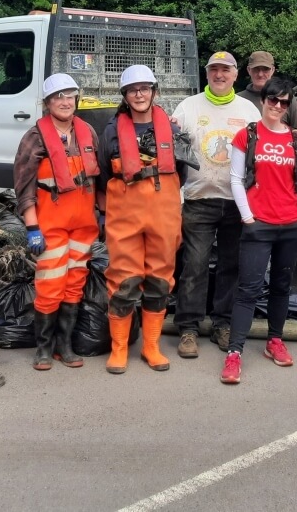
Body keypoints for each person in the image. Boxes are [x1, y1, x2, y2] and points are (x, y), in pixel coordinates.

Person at [220, 77, 297, 384]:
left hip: (291, 223)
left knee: (282, 286)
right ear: (263, 100)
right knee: (248, 289)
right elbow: (236, 179)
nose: (277, 106)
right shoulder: (248, 135)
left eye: (284, 102)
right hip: (258, 224)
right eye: (273, 99)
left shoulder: (296, 139)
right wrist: (248, 217)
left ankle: (275, 340)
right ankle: (234, 353)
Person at [171, 51, 261, 358]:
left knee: (231, 266)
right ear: (207, 73)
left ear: (236, 74)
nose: (219, 75)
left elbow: (258, 156)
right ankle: (188, 328)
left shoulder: (248, 110)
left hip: (237, 203)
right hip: (199, 200)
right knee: (194, 266)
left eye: (225, 70)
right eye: (214, 70)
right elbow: (174, 150)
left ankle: (223, 324)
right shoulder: (188, 107)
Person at [97, 65, 185, 374]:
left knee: (160, 281)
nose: (139, 94)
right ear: (125, 96)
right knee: (124, 281)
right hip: (125, 215)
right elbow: (104, 174)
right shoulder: (111, 132)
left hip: (164, 214)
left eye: (144, 88)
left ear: (154, 92)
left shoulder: (172, 130)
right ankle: (119, 348)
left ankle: (151, 346)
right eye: (132, 90)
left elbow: (181, 173)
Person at [13, 73, 101, 371]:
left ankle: (65, 346)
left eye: (69, 96)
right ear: (47, 103)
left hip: (84, 225)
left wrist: (103, 214)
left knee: (74, 283)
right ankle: (43, 348)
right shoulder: (34, 138)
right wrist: (32, 227)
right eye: (57, 97)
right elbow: (23, 187)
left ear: (76, 99)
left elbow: (98, 180)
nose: (64, 102)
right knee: (50, 285)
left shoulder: (88, 132)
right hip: (50, 225)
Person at [238, 51, 297, 131]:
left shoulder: (285, 99)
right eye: (256, 69)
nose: (260, 74)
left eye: (265, 70)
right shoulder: (238, 100)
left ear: (272, 70)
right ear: (249, 70)